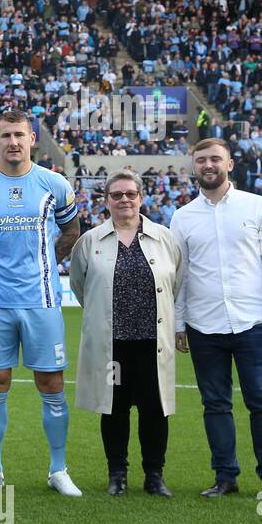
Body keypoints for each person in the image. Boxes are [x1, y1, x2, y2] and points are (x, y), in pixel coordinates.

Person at [0, 109, 82, 497]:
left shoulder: (54, 184)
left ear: (32, 140)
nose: (13, 142)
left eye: (19, 135)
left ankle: (58, 469)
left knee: (51, 382)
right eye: (6, 135)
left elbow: (72, 230)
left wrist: (44, 259)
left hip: (42, 301)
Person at [171, 138, 262, 503]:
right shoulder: (182, 216)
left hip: (253, 323)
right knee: (215, 405)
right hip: (203, 325)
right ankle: (225, 477)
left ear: (230, 164)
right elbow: (181, 275)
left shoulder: (257, 206)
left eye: (215, 159)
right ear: (194, 166)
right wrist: (179, 323)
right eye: (201, 160)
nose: (208, 165)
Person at [69, 170, 182, 496]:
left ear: (141, 198)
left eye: (130, 194)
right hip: (112, 346)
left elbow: (175, 283)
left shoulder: (164, 238)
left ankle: (154, 475)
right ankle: (117, 473)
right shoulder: (90, 241)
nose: (124, 200)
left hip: (151, 343)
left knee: (154, 410)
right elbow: (81, 287)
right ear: (106, 201)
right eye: (116, 195)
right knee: (114, 408)